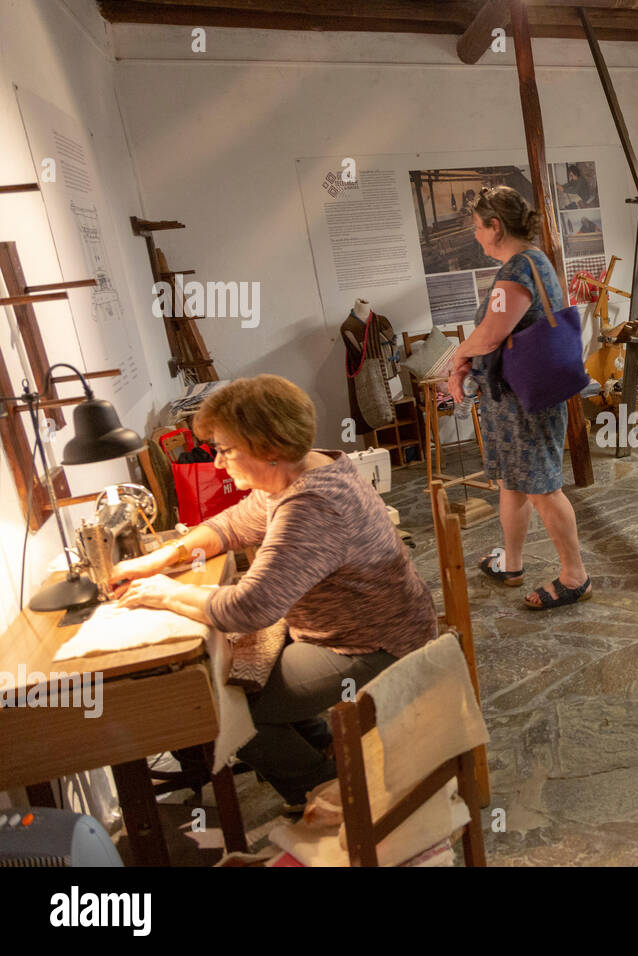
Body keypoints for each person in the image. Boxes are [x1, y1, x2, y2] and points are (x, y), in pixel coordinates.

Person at [110, 374, 435, 809]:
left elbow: (249, 608)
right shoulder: (306, 467)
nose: (219, 463)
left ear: (268, 449)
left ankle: (329, 796)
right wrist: (160, 557)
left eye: (225, 450)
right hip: (363, 628)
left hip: (373, 644)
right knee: (241, 679)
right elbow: (230, 525)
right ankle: (323, 748)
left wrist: (164, 593)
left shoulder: (312, 504)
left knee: (232, 716)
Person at [446, 186, 591, 611]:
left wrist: (458, 356)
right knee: (513, 482)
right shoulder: (529, 261)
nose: (475, 235)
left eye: (477, 227)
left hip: (526, 401)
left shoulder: (518, 270)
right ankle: (511, 562)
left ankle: (574, 575)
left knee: (542, 487)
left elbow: (491, 334)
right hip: (511, 398)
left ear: (496, 227)